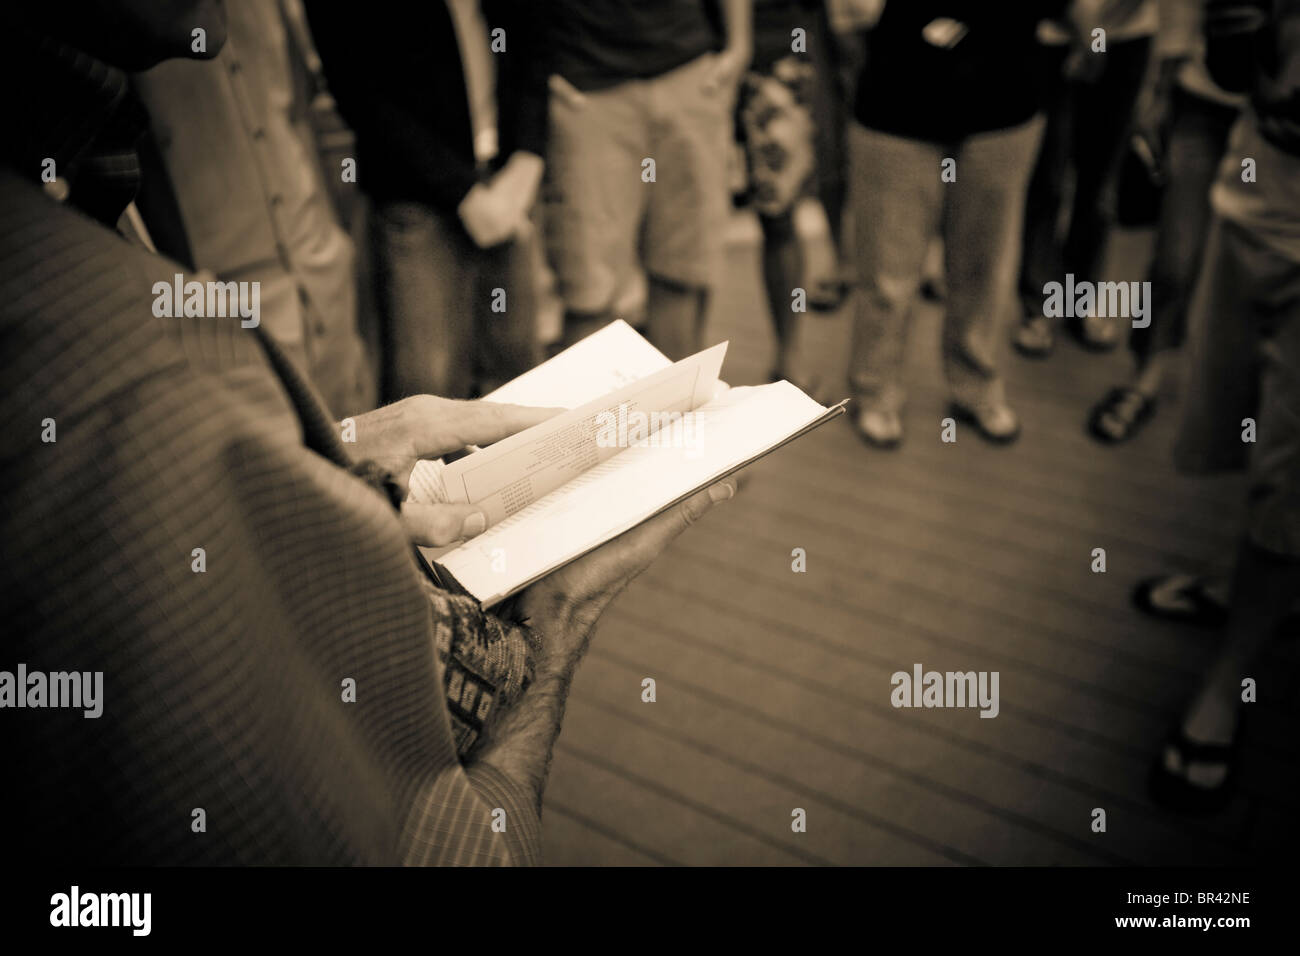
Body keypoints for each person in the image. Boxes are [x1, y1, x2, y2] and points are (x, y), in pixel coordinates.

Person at [0, 1, 736, 864]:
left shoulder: (71, 202)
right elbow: (460, 853)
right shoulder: (144, 367)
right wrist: (556, 620)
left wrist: (335, 446)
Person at [1147, 0, 1300, 811]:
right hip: (1263, 166)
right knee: (1238, 411)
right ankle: (1256, 589)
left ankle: (1228, 684)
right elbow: (1233, 46)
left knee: (1290, 462)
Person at [130, 0, 376, 419]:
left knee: (366, 440)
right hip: (227, 293)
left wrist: (335, 239)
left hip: (319, 267)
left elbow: (302, 112)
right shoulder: (134, 20)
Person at [846, 0, 1064, 448]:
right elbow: (851, 15)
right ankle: (875, 389)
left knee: (986, 265)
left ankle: (976, 383)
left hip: (1004, 104)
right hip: (895, 105)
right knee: (887, 270)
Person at [306, 0, 546, 402]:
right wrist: (464, 194)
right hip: (414, 194)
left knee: (521, 374)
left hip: (507, 178)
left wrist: (527, 158)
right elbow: (358, 90)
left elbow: (535, 39)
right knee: (428, 385)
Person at [542, 0, 753, 361]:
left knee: (682, 273)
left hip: (688, 71)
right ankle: (586, 417)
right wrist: (535, 71)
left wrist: (739, 46)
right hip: (585, 85)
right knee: (587, 287)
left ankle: (674, 412)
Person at [1087, 0, 1244, 442]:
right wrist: (1159, 84)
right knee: (1175, 257)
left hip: (1281, 133)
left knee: (1254, 276)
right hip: (1203, 101)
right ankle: (1144, 379)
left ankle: (1241, 408)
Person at [1012, 0, 1157, 357]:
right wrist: (1083, 33)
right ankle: (1039, 304)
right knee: (1047, 178)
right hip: (1054, 32)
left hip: (1126, 33)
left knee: (1099, 183)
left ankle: (1080, 298)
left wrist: (1097, 34)